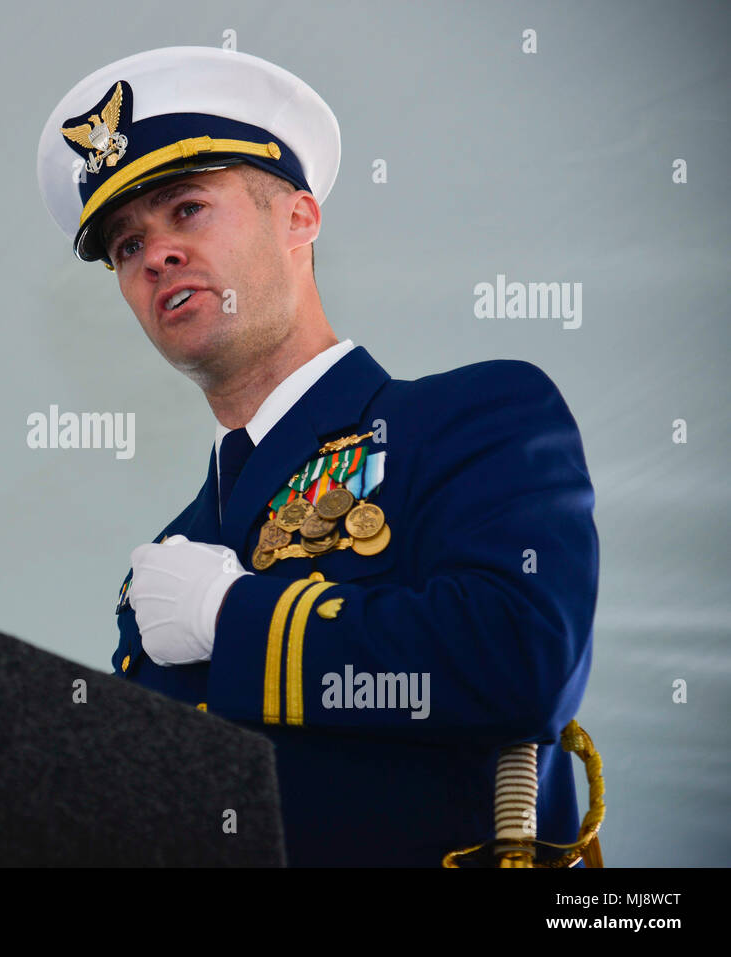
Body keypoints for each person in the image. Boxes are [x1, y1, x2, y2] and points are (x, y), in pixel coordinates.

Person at [36, 46, 598, 866]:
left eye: (187, 208)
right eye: (125, 246)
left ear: (299, 217)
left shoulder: (471, 416)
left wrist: (234, 619)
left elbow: (521, 659)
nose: (153, 254)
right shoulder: (165, 563)